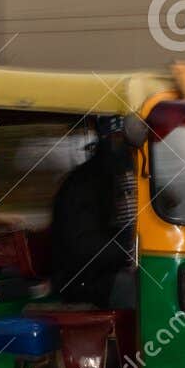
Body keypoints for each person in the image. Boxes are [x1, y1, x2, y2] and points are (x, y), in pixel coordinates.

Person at [50, 122, 136, 308]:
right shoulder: (83, 183)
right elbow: (83, 246)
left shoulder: (140, 176)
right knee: (149, 290)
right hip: (87, 280)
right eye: (117, 137)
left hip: (122, 268)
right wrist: (132, 249)